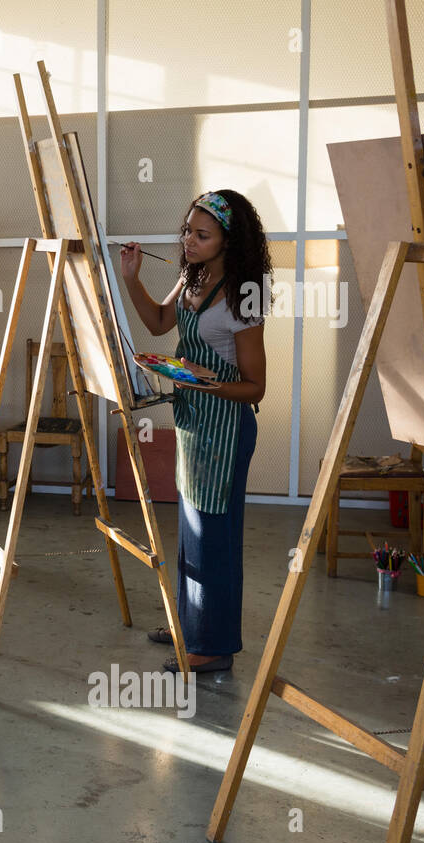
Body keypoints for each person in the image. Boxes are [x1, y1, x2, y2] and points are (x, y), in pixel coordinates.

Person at [119, 189, 269, 673]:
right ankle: (190, 624)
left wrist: (209, 381)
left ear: (229, 241)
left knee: (215, 537)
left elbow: (256, 388)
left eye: (202, 235)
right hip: (192, 421)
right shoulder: (193, 276)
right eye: (187, 230)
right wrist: (131, 280)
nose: (189, 240)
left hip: (226, 427)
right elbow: (161, 323)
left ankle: (214, 647)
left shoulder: (244, 299)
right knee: (191, 529)